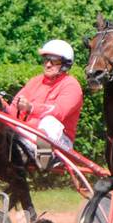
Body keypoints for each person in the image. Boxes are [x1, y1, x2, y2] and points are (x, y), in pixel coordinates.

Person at [11, 39, 83, 168]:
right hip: (28, 135)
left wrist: (31, 108)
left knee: (49, 121)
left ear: (65, 64)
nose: (48, 65)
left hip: (59, 142)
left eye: (54, 61)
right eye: (46, 60)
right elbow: (13, 108)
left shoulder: (71, 85)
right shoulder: (35, 82)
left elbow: (60, 112)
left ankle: (44, 159)